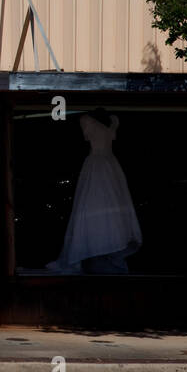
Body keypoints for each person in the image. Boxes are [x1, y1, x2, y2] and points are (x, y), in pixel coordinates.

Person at [47, 107, 143, 274]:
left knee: (108, 207)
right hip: (101, 164)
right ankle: (98, 248)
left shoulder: (108, 122)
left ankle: (108, 249)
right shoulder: (90, 121)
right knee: (94, 205)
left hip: (106, 164)